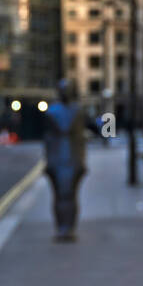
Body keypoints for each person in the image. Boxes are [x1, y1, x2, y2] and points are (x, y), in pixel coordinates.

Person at [43, 79, 87, 241]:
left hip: (73, 157)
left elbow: (81, 138)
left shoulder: (77, 110)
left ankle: (69, 227)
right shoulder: (52, 111)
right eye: (63, 89)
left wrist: (83, 160)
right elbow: (48, 138)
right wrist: (47, 161)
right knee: (59, 195)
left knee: (70, 195)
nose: (65, 92)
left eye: (68, 89)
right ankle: (61, 227)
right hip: (57, 158)